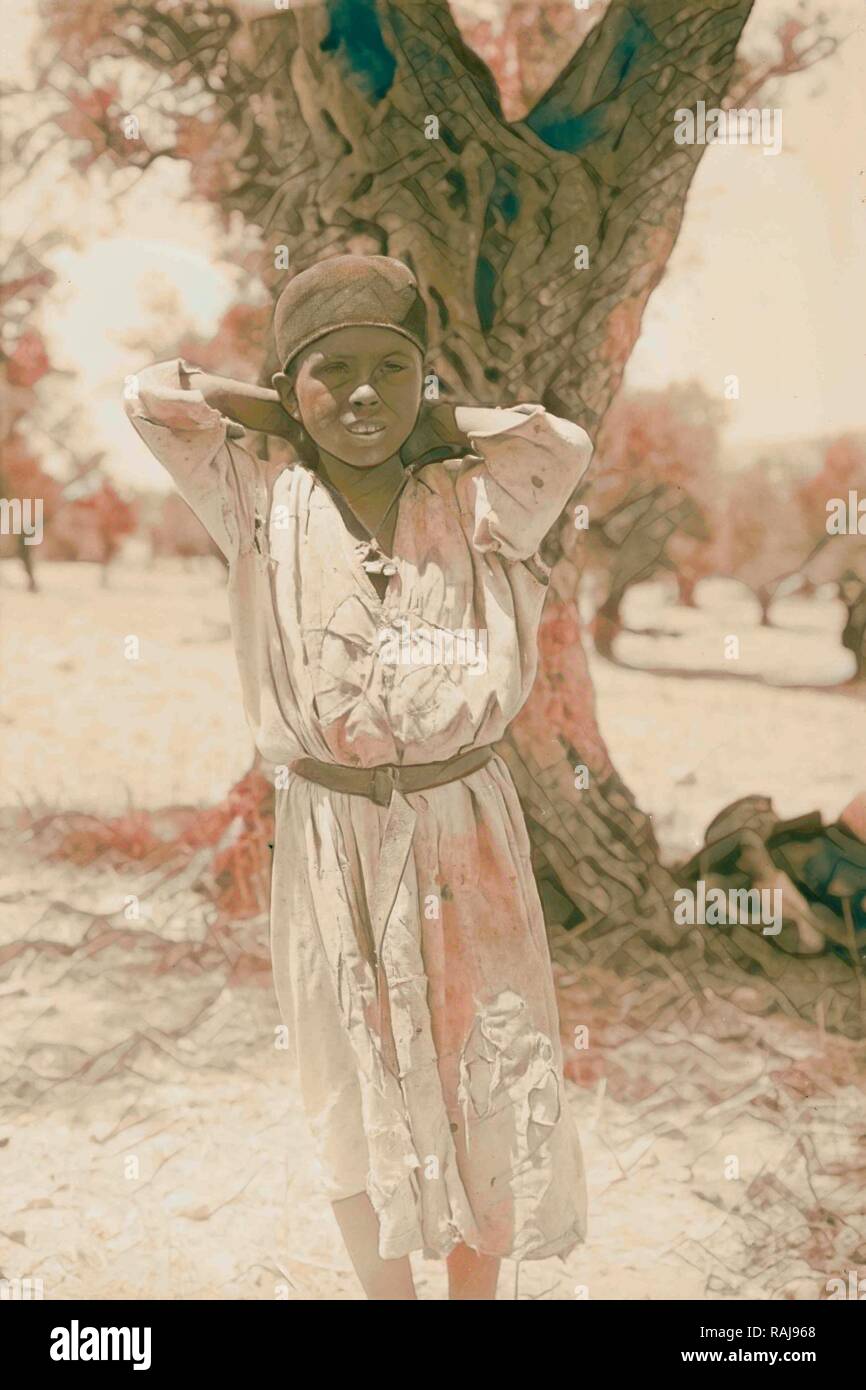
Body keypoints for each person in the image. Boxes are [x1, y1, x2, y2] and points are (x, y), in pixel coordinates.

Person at [124, 254, 593, 1300]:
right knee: (349, 1069)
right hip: (330, 835)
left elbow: (555, 444)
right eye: (332, 369)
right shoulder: (257, 491)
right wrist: (290, 412)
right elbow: (153, 399)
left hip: (463, 824)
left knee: (489, 1057)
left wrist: (425, 418)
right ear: (290, 384)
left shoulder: (475, 498)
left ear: (426, 382)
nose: (364, 392)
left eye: (393, 367)